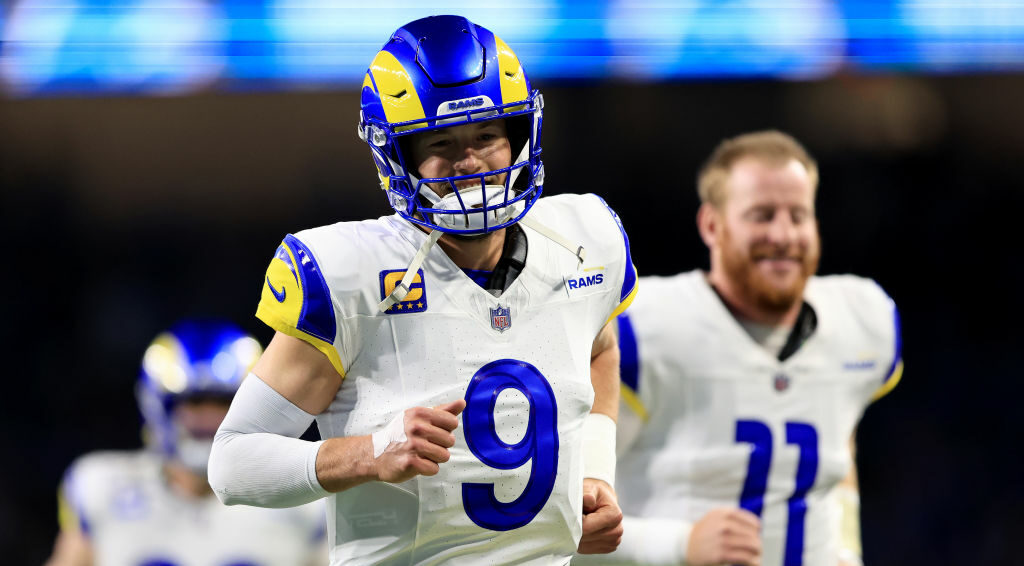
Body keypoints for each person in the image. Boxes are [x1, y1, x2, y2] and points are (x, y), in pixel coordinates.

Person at [206, 14, 637, 566]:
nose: (470, 161)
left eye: (486, 135)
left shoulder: (582, 241)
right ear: (397, 156)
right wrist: (368, 454)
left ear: (519, 135)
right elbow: (232, 464)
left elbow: (600, 348)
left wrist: (594, 472)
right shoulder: (351, 275)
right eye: (440, 142)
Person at [577, 131, 902, 566]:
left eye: (798, 215)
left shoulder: (861, 321)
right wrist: (678, 545)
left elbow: (840, 442)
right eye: (762, 215)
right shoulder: (643, 328)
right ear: (712, 225)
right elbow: (567, 519)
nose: (784, 234)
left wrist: (846, 549)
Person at [46, 320, 325, 566]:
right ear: (158, 406)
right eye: (194, 403)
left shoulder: (303, 502)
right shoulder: (102, 488)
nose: (207, 420)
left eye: (222, 403)